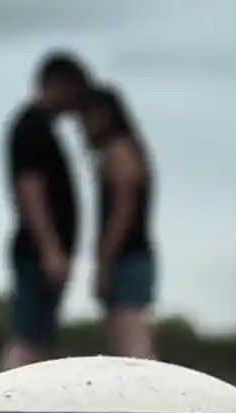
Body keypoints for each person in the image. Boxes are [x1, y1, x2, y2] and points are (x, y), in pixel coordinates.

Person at [0, 51, 91, 371]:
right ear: (58, 84)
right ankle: (2, 411)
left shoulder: (41, 127)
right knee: (28, 337)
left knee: (38, 338)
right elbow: (30, 189)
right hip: (38, 251)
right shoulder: (32, 126)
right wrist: (50, 249)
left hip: (43, 250)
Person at [78, 85, 157, 359]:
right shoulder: (128, 150)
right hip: (131, 257)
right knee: (128, 348)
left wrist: (104, 262)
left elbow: (122, 213)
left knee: (133, 349)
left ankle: (152, 402)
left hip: (127, 258)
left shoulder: (119, 152)